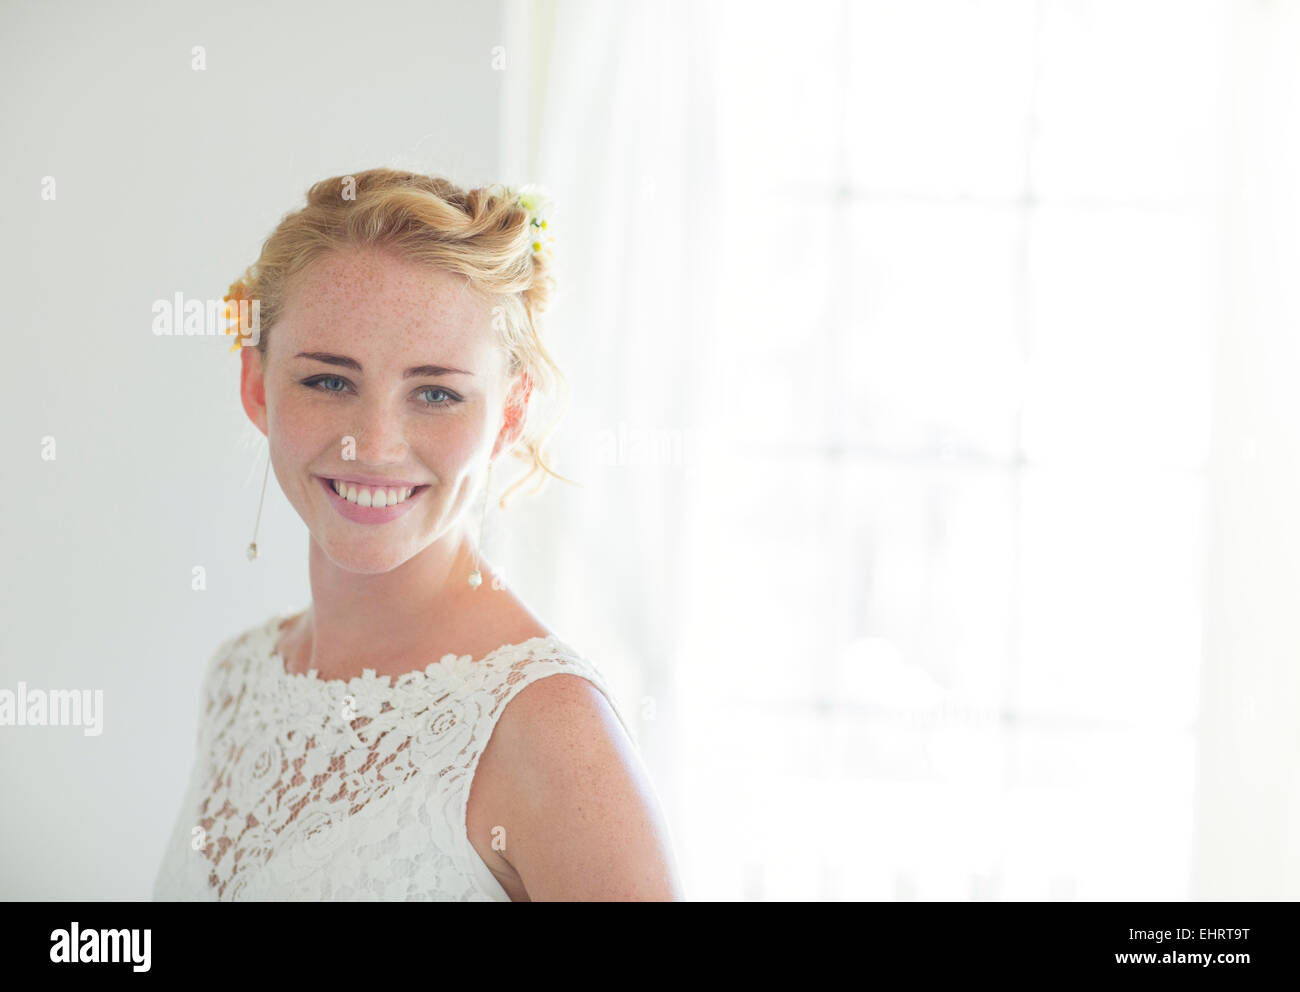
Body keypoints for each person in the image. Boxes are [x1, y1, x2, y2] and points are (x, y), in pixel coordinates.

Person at [152, 168, 682, 901]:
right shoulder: (237, 680)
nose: (372, 445)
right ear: (256, 386)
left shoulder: (552, 734)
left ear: (508, 415)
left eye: (435, 394)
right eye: (329, 381)